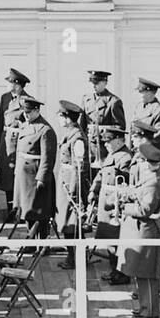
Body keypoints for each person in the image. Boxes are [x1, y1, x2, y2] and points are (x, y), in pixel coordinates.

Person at [120, 127, 160, 318]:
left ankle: (149, 310)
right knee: (142, 273)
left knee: (147, 275)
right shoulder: (151, 177)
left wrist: (125, 208)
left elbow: (144, 210)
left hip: (146, 231)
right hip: (142, 231)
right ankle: (145, 308)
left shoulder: (153, 182)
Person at [90, 126, 134, 286]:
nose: (106, 145)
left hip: (115, 204)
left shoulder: (126, 158)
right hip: (106, 202)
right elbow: (101, 174)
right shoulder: (112, 155)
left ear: (118, 140)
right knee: (110, 240)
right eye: (105, 142)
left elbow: (126, 184)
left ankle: (121, 273)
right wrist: (93, 190)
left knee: (117, 241)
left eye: (109, 141)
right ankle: (114, 270)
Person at [52, 101, 90, 268]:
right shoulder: (69, 133)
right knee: (66, 222)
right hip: (65, 182)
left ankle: (76, 258)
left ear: (68, 118)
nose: (59, 120)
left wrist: (73, 193)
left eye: (61, 116)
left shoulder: (77, 138)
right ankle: (73, 256)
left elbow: (79, 168)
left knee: (72, 223)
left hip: (71, 187)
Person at [12, 95, 56, 238]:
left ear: (37, 110)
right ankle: (30, 240)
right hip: (23, 175)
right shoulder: (25, 126)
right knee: (26, 209)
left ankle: (42, 242)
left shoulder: (45, 130)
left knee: (40, 211)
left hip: (35, 175)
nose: (26, 115)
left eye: (29, 112)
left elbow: (47, 158)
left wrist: (41, 178)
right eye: (25, 112)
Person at [0, 68, 30, 207]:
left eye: (9, 82)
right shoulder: (5, 98)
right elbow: (0, 122)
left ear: (17, 85)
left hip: (18, 143)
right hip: (5, 142)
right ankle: (10, 209)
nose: (7, 85)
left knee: (17, 177)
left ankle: (18, 208)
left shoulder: (27, 101)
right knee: (6, 177)